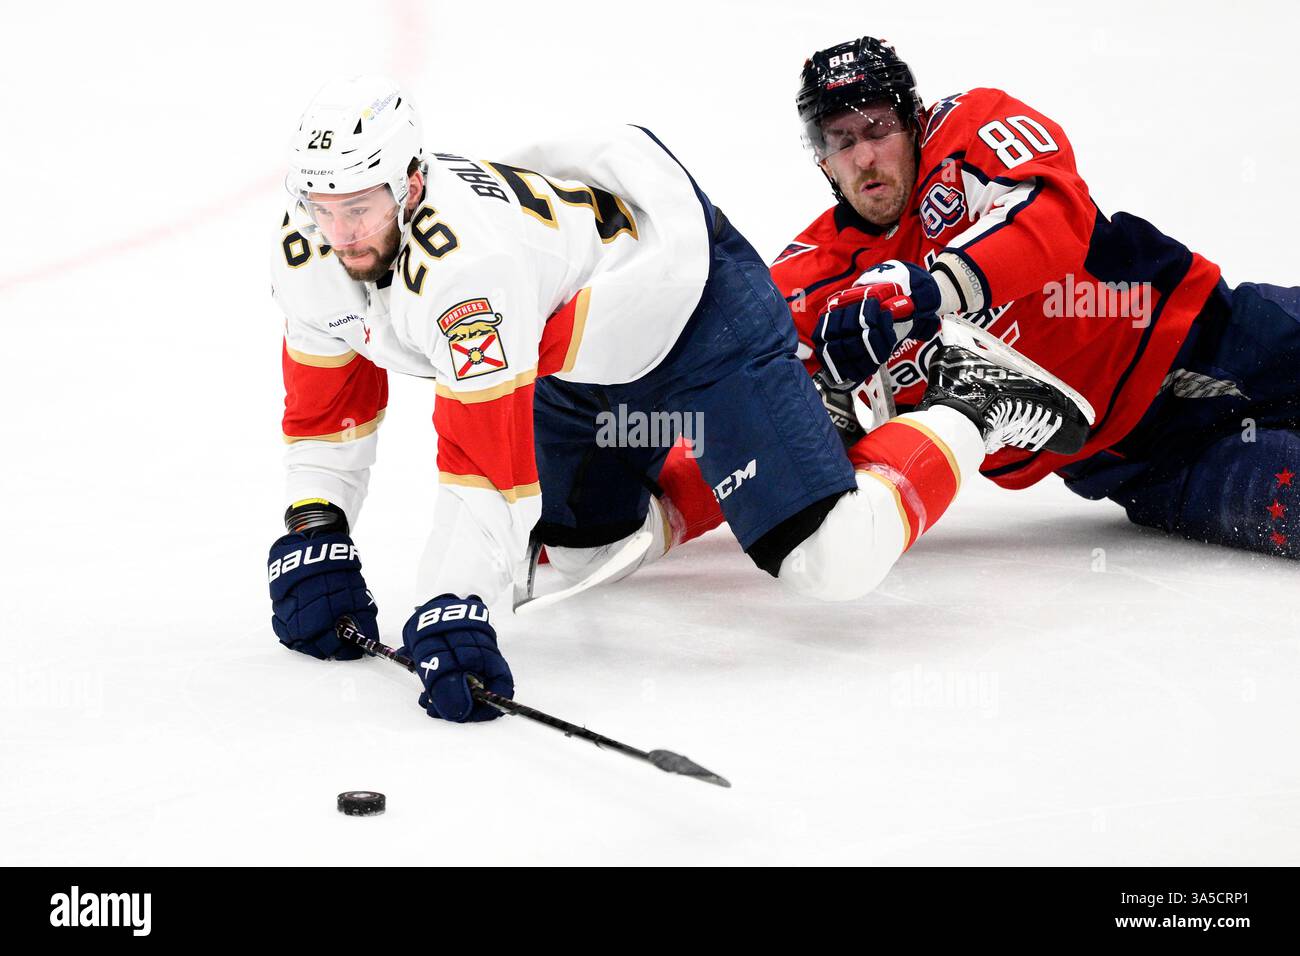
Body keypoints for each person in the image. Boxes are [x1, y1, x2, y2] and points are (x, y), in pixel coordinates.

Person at [265, 75, 1090, 724]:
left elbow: (484, 468)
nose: (342, 234)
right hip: (585, 351)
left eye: (361, 206)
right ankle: (784, 442)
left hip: (700, 318)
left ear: (410, 182)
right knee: (577, 560)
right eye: (323, 206)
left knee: (829, 560)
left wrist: (455, 602)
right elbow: (327, 401)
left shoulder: (469, 279)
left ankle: (972, 400)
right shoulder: (310, 246)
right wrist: (315, 527)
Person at [658, 36, 1300, 559]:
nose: (864, 155)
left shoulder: (973, 128)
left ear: (912, 120)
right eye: (839, 140)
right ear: (821, 160)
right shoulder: (806, 279)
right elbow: (748, 418)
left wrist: (932, 289)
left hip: (1217, 337)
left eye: (877, 127)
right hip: (1141, 464)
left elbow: (1052, 219)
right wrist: (651, 514)